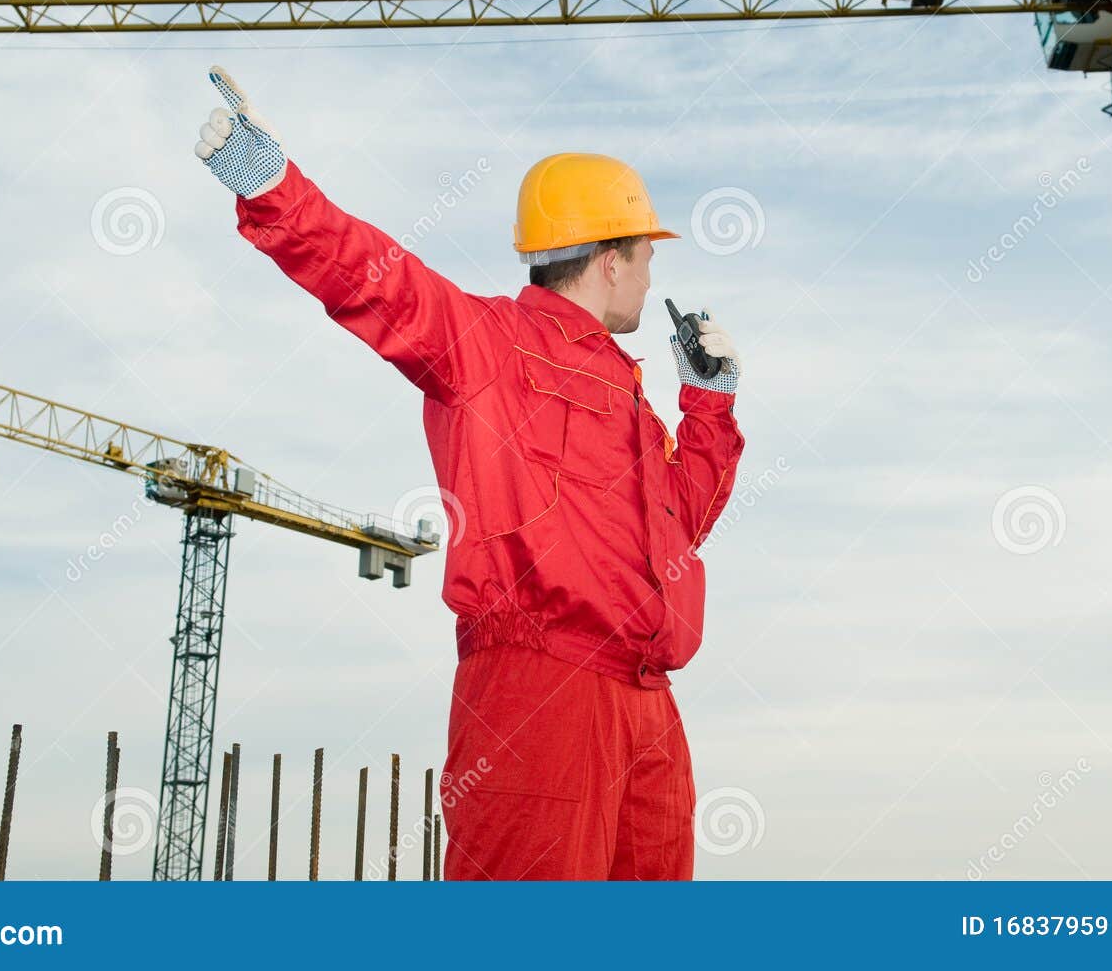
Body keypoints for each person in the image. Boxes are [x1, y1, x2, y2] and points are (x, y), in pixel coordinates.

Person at [193, 66, 746, 879]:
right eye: (646, 254)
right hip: (541, 690)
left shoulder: (632, 399)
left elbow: (679, 528)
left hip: (648, 704)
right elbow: (378, 281)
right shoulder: (490, 344)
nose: (651, 276)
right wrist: (276, 190)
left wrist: (709, 404)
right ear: (611, 259)